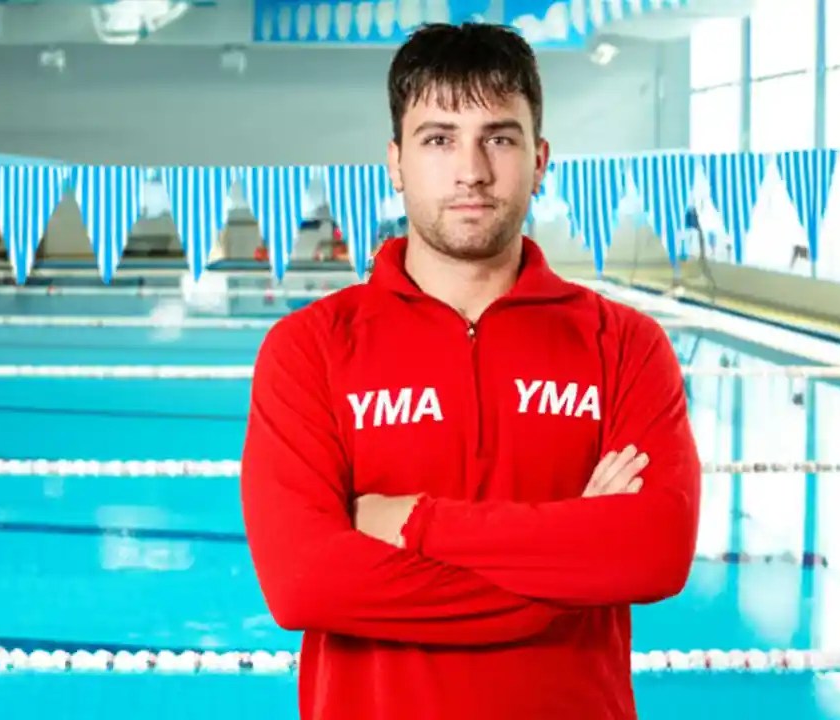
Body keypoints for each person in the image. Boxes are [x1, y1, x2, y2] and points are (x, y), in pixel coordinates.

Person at [239, 21, 701, 720]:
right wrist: (567, 566)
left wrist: (417, 524)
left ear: (540, 158)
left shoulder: (625, 345)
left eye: (500, 137)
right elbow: (304, 585)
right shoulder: (310, 348)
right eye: (438, 138)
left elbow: (656, 552)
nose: (471, 170)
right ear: (394, 161)